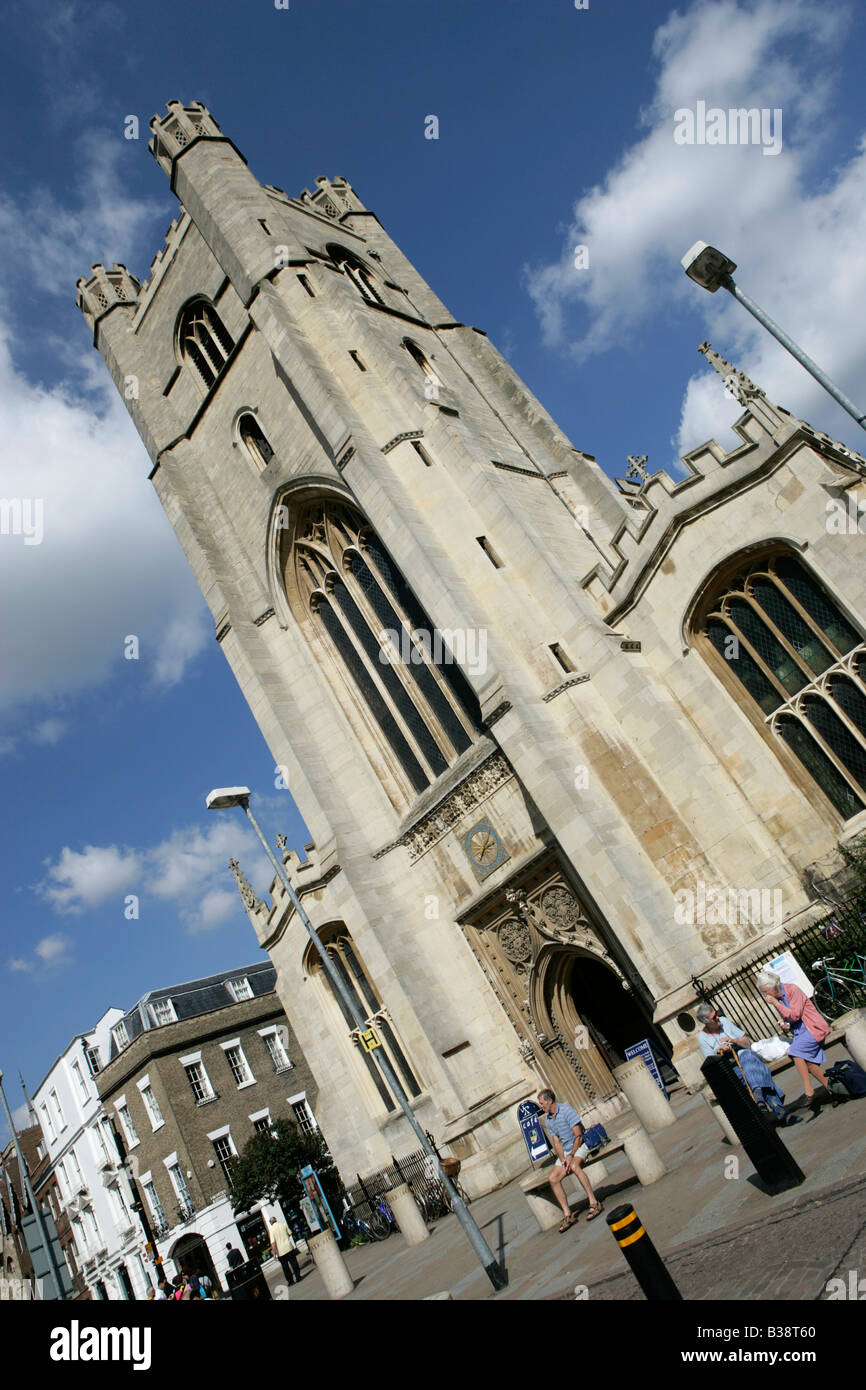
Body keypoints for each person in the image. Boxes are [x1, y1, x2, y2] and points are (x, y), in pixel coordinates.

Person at [696, 1003, 800, 1126]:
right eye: (714, 1017)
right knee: (757, 1073)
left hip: (745, 1057)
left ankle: (759, 1099)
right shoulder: (703, 1038)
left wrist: (733, 1041)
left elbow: (747, 1043)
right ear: (706, 1022)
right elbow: (712, 1063)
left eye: (716, 1014)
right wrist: (720, 1051)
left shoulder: (724, 1021)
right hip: (731, 1068)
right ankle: (780, 1112)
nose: (717, 1017)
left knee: (747, 1056)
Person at [756, 970, 831, 1112]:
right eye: (762, 993)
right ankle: (832, 1089)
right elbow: (791, 1019)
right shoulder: (778, 999)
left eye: (765, 991)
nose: (765, 996)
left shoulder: (792, 989)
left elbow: (796, 1014)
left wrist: (777, 1005)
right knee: (808, 1063)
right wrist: (786, 1024)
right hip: (800, 1032)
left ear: (773, 986)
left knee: (795, 1052)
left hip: (813, 1028)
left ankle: (809, 1091)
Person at [536, 1088, 603, 1231]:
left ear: (550, 1101)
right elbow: (556, 1142)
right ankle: (568, 1214)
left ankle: (594, 1202)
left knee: (574, 1167)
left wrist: (571, 1156)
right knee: (553, 1178)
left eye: (542, 1103)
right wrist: (563, 1159)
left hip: (580, 1145)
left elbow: (578, 1136)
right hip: (566, 1152)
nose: (541, 1106)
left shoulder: (567, 1111)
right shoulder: (548, 1120)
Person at [269, 1215, 301, 1285]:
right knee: (294, 1263)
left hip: (281, 1252)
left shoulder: (271, 1230)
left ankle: (290, 1281)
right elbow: (290, 1233)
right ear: (276, 1220)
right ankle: (298, 1277)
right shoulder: (283, 1225)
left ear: (271, 1223)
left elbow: (273, 1243)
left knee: (285, 1267)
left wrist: (274, 1254)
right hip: (288, 1247)